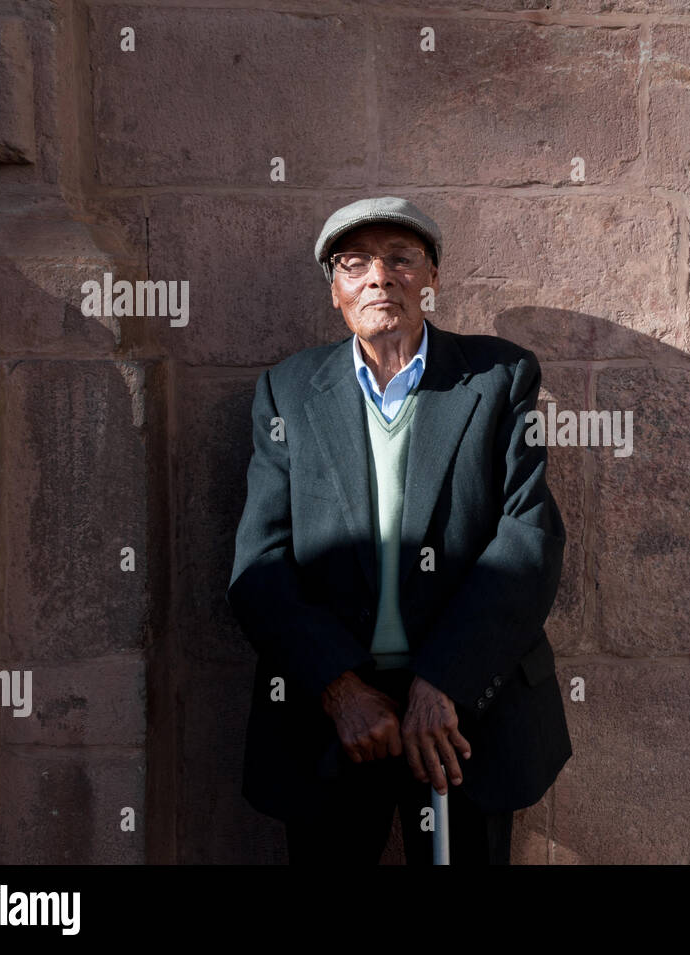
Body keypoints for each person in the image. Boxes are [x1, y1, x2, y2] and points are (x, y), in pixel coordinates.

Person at [226, 196, 572, 865]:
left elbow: (528, 540)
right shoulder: (288, 391)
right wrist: (341, 689)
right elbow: (259, 565)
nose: (380, 277)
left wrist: (442, 682)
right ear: (335, 291)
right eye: (355, 264)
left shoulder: (498, 378)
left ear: (432, 278)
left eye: (400, 259)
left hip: (464, 715)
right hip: (333, 718)